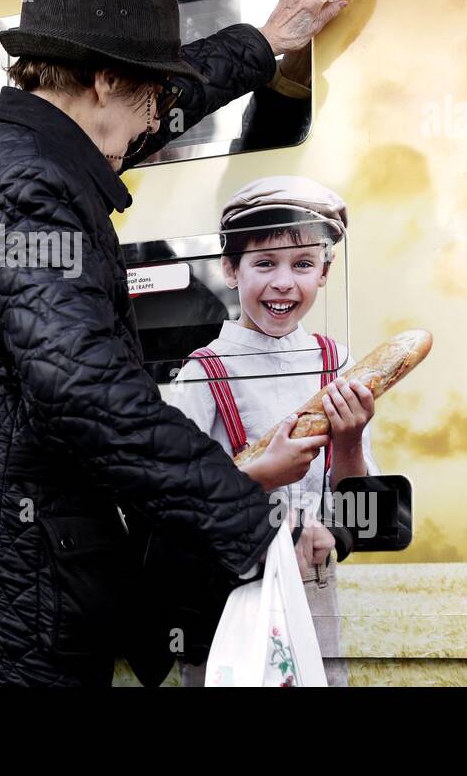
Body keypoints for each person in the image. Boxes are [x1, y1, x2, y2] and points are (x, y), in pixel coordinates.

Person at [0, 0, 355, 686]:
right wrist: (245, 520)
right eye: (154, 93)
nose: (160, 118)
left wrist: (263, 41)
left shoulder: (14, 142)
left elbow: (147, 113)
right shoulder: (25, 182)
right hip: (7, 600)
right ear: (104, 80)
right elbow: (82, 390)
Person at [171, 175, 379, 686]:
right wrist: (258, 477)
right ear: (230, 269)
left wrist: (348, 442)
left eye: (303, 264)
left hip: (313, 586)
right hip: (231, 590)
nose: (284, 282)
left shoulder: (338, 363)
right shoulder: (205, 371)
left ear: (325, 273)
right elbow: (175, 499)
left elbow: (361, 512)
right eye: (264, 264)